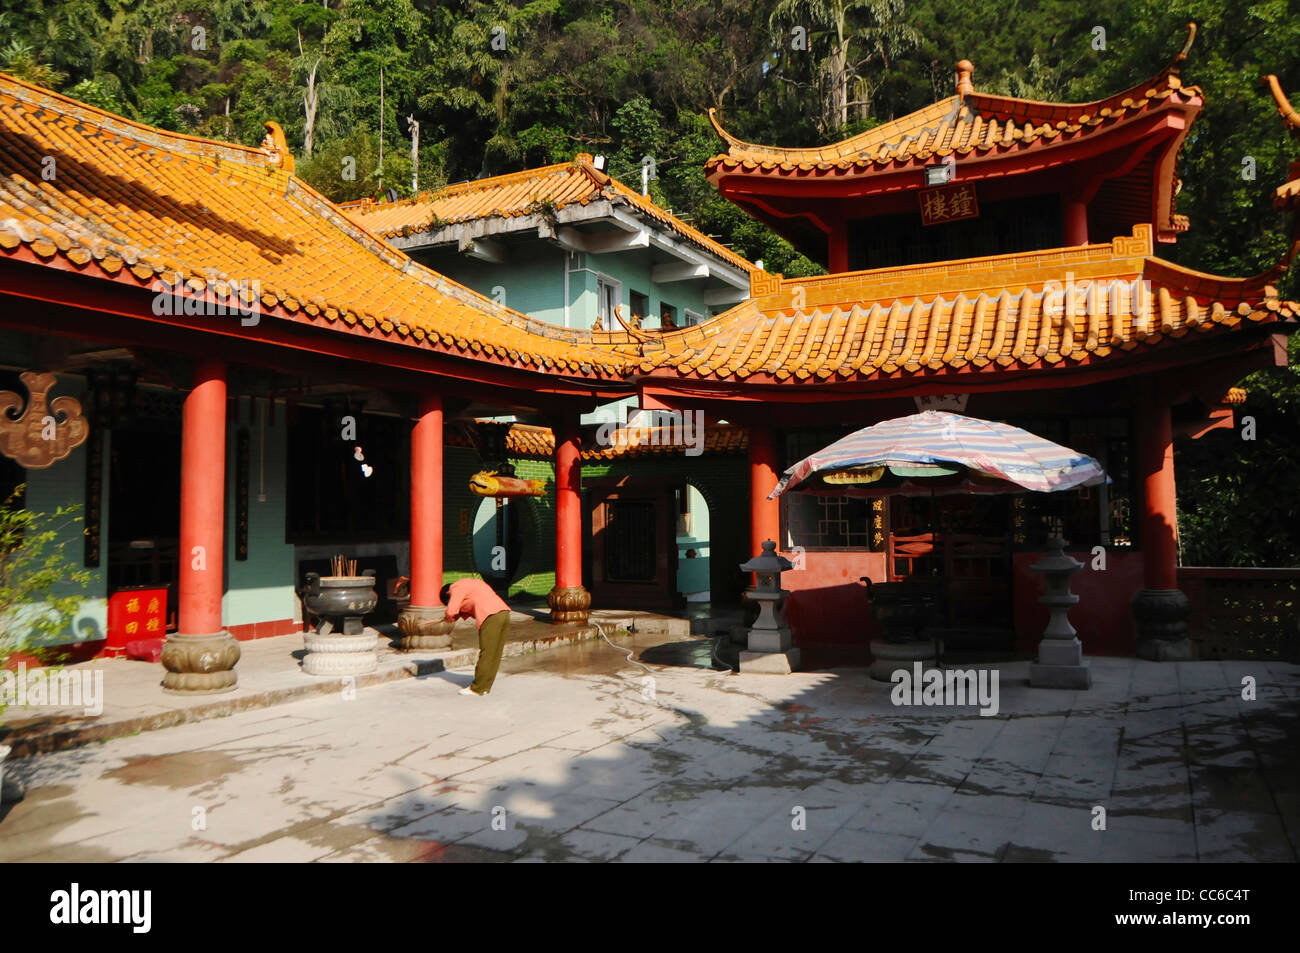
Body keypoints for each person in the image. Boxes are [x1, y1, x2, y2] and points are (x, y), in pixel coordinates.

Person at [440, 578, 511, 696]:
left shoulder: (455, 588)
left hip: (490, 616)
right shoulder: (473, 583)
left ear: (448, 594)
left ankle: (476, 688)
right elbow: (466, 608)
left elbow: (451, 610)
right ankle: (485, 686)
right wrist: (453, 616)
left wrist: (448, 617)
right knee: (495, 653)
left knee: (487, 653)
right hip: (504, 613)